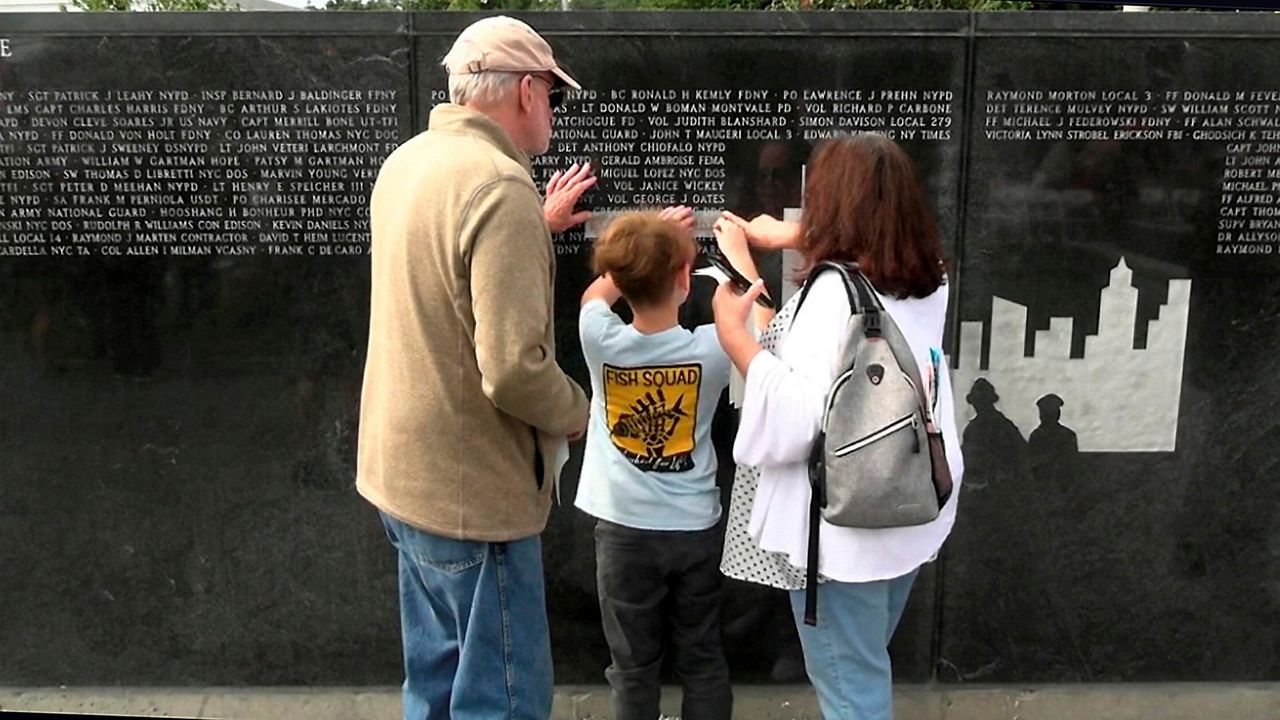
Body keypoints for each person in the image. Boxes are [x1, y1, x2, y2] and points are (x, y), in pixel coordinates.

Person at [356, 16, 597, 720]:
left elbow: (444, 280)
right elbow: (515, 370)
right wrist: (580, 412)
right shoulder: (499, 187)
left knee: (433, 685)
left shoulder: (408, 162)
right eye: (553, 94)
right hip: (472, 496)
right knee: (501, 700)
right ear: (526, 90)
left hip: (402, 478)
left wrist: (532, 229)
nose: (553, 110)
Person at [712, 133, 965, 720]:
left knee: (853, 694)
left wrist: (733, 336)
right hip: (909, 505)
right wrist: (789, 236)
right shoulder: (928, 278)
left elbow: (798, 420)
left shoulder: (830, 297)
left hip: (843, 530)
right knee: (866, 663)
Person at [575, 208, 767, 720]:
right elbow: (764, 327)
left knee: (632, 667)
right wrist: (739, 261)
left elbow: (594, 296)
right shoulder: (713, 347)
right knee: (701, 656)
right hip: (693, 527)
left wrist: (644, 247)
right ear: (685, 278)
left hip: (622, 530)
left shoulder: (598, 337)